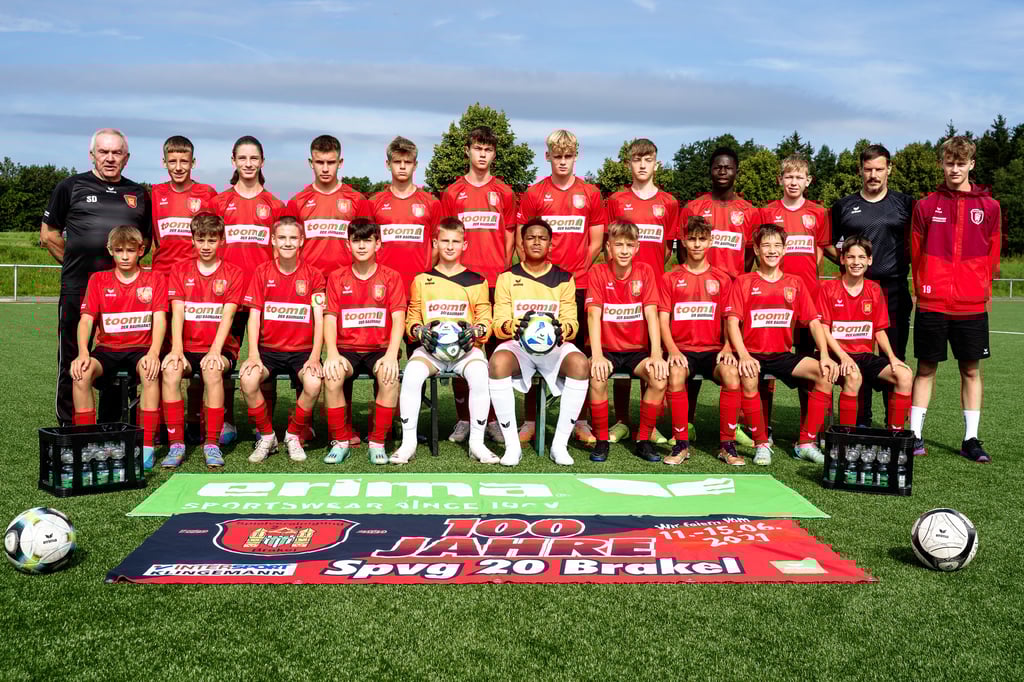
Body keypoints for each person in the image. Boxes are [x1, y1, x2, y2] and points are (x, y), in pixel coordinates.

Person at [41, 128, 151, 426]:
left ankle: (112, 424)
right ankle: (69, 425)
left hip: (125, 296)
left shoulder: (139, 193)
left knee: (117, 359)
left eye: (117, 152)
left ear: (126, 158)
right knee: (74, 360)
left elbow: (145, 242)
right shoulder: (70, 186)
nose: (110, 158)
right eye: (104, 152)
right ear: (92, 155)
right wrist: (78, 266)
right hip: (78, 289)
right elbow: (49, 235)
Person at [909, 136, 1001, 463]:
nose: (955, 169)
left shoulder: (989, 206)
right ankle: (915, 434)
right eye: (950, 163)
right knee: (925, 368)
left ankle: (971, 439)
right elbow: (916, 253)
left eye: (961, 163)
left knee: (971, 370)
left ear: (971, 165)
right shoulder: (926, 204)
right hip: (933, 302)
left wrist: (979, 287)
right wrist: (925, 287)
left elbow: (993, 253)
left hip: (972, 304)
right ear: (942, 164)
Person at [724, 224, 842, 465]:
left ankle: (806, 443)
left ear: (785, 250)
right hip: (753, 353)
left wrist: (826, 355)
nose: (772, 250)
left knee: (824, 374)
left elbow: (813, 322)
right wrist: (744, 355)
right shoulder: (744, 282)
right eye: (766, 245)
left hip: (782, 354)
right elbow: (732, 322)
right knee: (748, 376)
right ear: (756, 250)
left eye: (777, 245)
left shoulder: (795, 283)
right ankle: (761, 444)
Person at [516, 129, 606, 445]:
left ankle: (579, 421)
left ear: (576, 156)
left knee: (575, 353)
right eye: (558, 156)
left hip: (577, 283)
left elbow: (596, 239)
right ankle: (529, 420)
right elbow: (522, 236)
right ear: (548, 157)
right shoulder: (534, 193)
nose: (563, 162)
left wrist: (576, 267)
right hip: (540, 283)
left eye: (568, 156)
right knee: (531, 344)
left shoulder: (591, 194)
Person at [390, 217, 495, 465]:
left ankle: (477, 444)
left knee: (481, 376)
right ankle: (408, 443)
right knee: (413, 374)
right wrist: (418, 331)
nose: (449, 246)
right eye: (445, 241)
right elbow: (413, 316)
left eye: (455, 242)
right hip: (431, 352)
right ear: (435, 243)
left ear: (464, 245)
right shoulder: (421, 280)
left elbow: (485, 318)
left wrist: (477, 331)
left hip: (466, 352)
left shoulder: (477, 280)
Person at [488, 218, 591, 466]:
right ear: (521, 243)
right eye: (530, 237)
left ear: (550, 244)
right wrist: (517, 326)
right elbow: (498, 323)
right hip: (519, 346)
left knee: (579, 364)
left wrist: (561, 329)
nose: (536, 242)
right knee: (497, 362)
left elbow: (572, 324)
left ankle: (559, 446)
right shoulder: (507, 277)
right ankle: (512, 446)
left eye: (542, 238)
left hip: (554, 347)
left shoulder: (564, 278)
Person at [440, 126, 517, 444]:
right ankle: (464, 419)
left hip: (495, 283)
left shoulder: (506, 193)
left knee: (497, 355)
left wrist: (502, 273)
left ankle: (495, 420)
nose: (482, 154)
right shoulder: (451, 192)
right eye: (477, 148)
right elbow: (446, 236)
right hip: (461, 284)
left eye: (488, 149)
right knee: (462, 350)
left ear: (494, 154)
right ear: (468, 151)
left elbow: (510, 237)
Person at [827, 144, 914, 426]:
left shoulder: (905, 203)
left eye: (879, 169)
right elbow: (830, 244)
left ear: (889, 169)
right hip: (854, 289)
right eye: (868, 169)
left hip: (894, 289)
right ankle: (861, 420)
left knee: (894, 357)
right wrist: (850, 265)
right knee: (857, 355)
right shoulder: (843, 206)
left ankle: (895, 423)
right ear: (860, 171)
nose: (873, 175)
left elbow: (917, 243)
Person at [680, 147, 760, 447]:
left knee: (732, 357)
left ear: (736, 171)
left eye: (728, 167)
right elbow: (682, 249)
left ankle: (736, 423)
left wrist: (736, 282)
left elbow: (751, 252)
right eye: (717, 167)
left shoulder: (749, 211)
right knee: (691, 352)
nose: (723, 171)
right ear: (711, 171)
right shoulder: (693, 207)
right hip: (696, 290)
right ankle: (685, 421)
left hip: (734, 293)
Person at [210, 136, 286, 445]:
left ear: (262, 162)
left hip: (263, 299)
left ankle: (263, 427)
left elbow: (281, 253)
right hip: (225, 297)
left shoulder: (275, 204)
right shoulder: (219, 203)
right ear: (234, 161)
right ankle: (225, 421)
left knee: (265, 362)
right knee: (222, 359)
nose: (248, 163)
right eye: (242, 158)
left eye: (254, 158)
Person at [70, 225, 165, 469]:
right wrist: (83, 352)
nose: (124, 256)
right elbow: (87, 320)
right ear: (110, 251)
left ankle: (145, 446)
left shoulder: (154, 279)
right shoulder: (98, 279)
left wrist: (154, 353)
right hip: (107, 350)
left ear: (141, 251)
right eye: (119, 250)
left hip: (141, 348)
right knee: (81, 374)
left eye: (130, 250)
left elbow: (160, 319)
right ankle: (87, 444)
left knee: (150, 371)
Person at [365, 136, 440, 446]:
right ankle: (385, 419)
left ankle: (409, 420)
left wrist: (423, 273)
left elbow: (436, 246)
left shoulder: (430, 203)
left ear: (415, 165)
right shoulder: (374, 203)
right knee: (385, 356)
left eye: (407, 162)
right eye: (397, 162)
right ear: (388, 164)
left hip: (418, 292)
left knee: (418, 357)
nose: (402, 167)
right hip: (382, 294)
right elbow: (367, 246)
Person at [605, 138, 679, 444]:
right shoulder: (616, 201)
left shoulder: (670, 203)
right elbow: (610, 246)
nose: (643, 165)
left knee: (652, 354)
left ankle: (650, 424)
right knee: (623, 348)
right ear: (629, 164)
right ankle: (621, 419)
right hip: (621, 289)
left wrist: (650, 277)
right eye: (637, 160)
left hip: (654, 290)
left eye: (648, 159)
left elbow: (668, 250)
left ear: (656, 164)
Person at [159, 214, 245, 469]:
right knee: (171, 370)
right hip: (186, 348)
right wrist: (176, 350)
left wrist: (216, 351)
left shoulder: (234, 273)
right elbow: (178, 313)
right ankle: (176, 444)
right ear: (193, 241)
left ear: (222, 241)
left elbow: (228, 316)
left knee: (212, 368)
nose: (206, 245)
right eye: (200, 240)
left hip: (220, 348)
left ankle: (211, 443)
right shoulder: (180, 270)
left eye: (211, 240)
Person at [239, 216, 325, 464]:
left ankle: (292, 434)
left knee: (313, 384)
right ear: (273, 240)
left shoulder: (314, 275)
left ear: (301, 241)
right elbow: (254, 317)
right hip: (268, 350)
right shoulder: (261, 272)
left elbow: (319, 320)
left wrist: (314, 356)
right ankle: (267, 436)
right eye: (282, 238)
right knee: (248, 379)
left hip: (302, 351)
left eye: (293, 238)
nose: (287, 243)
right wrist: (253, 353)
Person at [151, 135, 219, 444]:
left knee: (197, 349)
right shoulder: (154, 194)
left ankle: (195, 420)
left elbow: (215, 236)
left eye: (184, 160)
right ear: (164, 162)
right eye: (173, 161)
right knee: (166, 355)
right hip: (164, 284)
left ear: (193, 162)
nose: (179, 167)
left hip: (199, 286)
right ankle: (166, 424)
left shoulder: (207, 194)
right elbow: (151, 239)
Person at [322, 218, 407, 465]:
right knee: (333, 375)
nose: (361, 246)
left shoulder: (391, 277)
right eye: (356, 240)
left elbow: (398, 319)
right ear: (348, 244)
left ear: (378, 244)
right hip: (346, 349)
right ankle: (341, 441)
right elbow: (329, 319)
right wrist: (333, 354)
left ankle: (377, 442)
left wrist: (392, 355)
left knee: (389, 377)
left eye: (367, 240)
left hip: (379, 349)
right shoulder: (337, 278)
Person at [659, 216, 743, 466]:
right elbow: (663, 320)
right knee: (675, 376)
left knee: (731, 374)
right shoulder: (670, 277)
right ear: (683, 241)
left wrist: (728, 347)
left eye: (702, 239)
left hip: (713, 350)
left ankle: (727, 445)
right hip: (681, 349)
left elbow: (730, 318)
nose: (696, 244)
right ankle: (681, 444)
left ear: (710, 241)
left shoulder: (722, 278)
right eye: (692, 239)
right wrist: (672, 350)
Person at [586, 221, 668, 464]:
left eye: (629, 245)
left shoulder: (645, 272)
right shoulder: (598, 272)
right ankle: (601, 440)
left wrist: (656, 354)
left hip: (636, 352)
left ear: (637, 248)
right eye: (618, 245)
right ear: (608, 247)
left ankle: (643, 440)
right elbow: (593, 315)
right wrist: (597, 355)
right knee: (597, 376)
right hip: (608, 350)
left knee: (659, 378)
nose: (623, 250)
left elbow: (652, 314)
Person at [759, 155, 830, 431]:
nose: (793, 182)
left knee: (809, 364)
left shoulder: (819, 213)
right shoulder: (767, 213)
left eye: (799, 177)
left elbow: (819, 252)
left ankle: (808, 426)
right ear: (780, 180)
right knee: (768, 364)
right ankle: (764, 426)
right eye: (788, 177)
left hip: (806, 301)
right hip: (773, 303)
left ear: (808, 181)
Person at [816, 236, 913, 432]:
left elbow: (879, 330)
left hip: (864, 356)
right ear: (842, 259)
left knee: (904, 375)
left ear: (869, 260)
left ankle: (895, 437)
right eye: (850, 257)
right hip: (837, 356)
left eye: (861, 257)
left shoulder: (874, 289)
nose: (856, 262)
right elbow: (823, 329)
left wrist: (893, 358)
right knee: (853, 375)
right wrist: (843, 356)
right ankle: (846, 438)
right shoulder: (828, 288)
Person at [287, 134, 371, 276]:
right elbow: (286, 247)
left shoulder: (358, 200)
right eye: (320, 162)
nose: (325, 169)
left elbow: (369, 245)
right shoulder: (296, 202)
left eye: (331, 162)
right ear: (311, 163)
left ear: (340, 163)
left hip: (347, 281)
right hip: (307, 280)